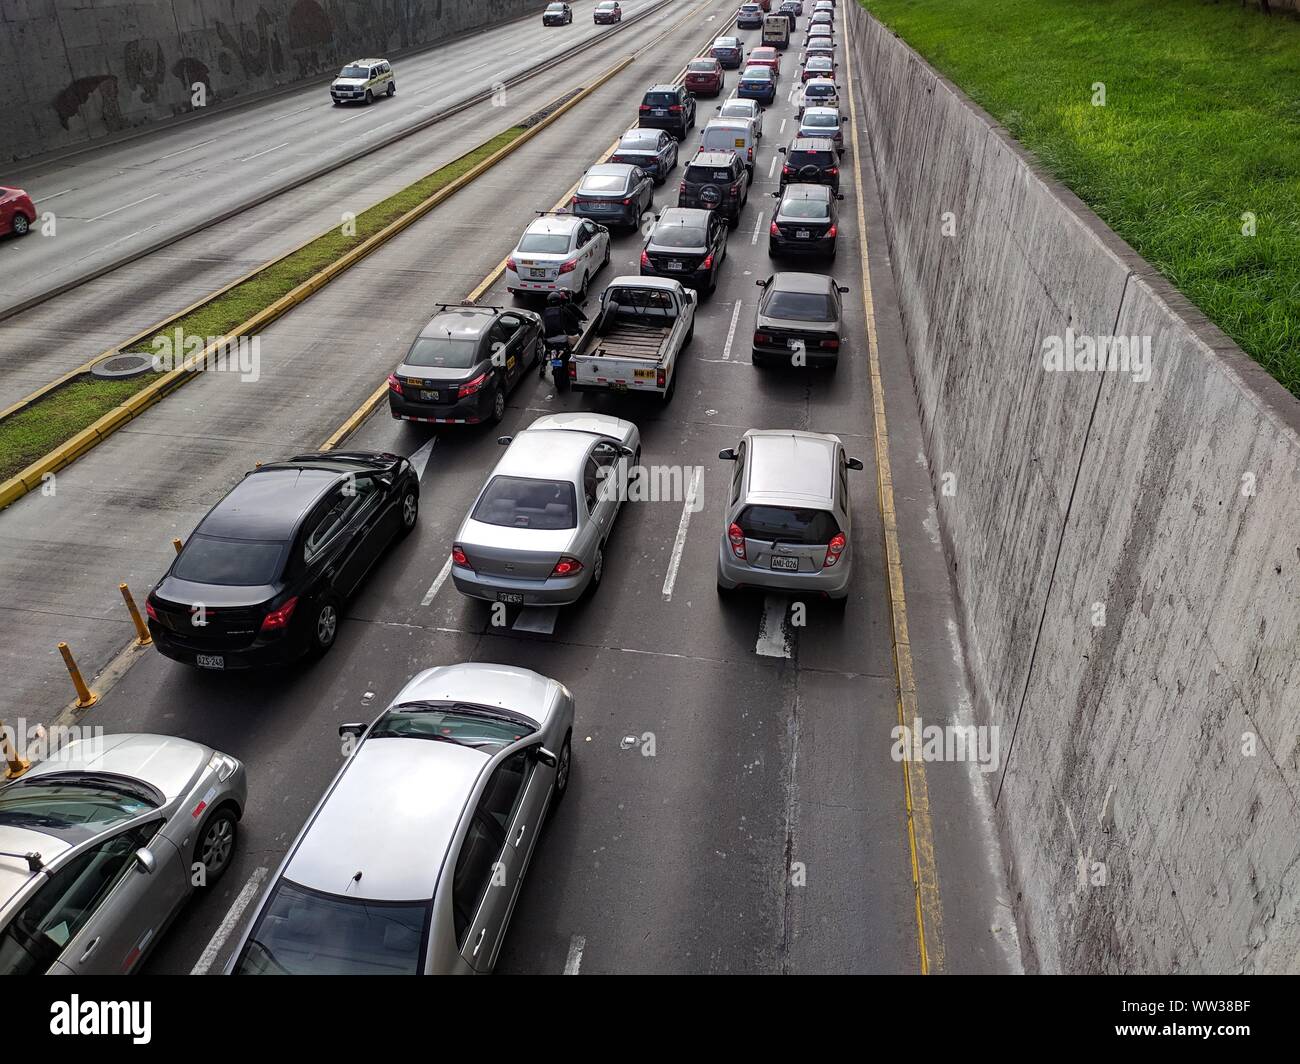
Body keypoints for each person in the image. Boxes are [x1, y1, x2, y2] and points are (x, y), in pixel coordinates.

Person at [540, 290, 587, 379]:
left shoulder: (546, 312)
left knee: (548, 351)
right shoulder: (564, 310)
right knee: (574, 347)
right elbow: (573, 321)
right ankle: (579, 362)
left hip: (549, 339)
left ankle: (543, 367)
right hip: (563, 339)